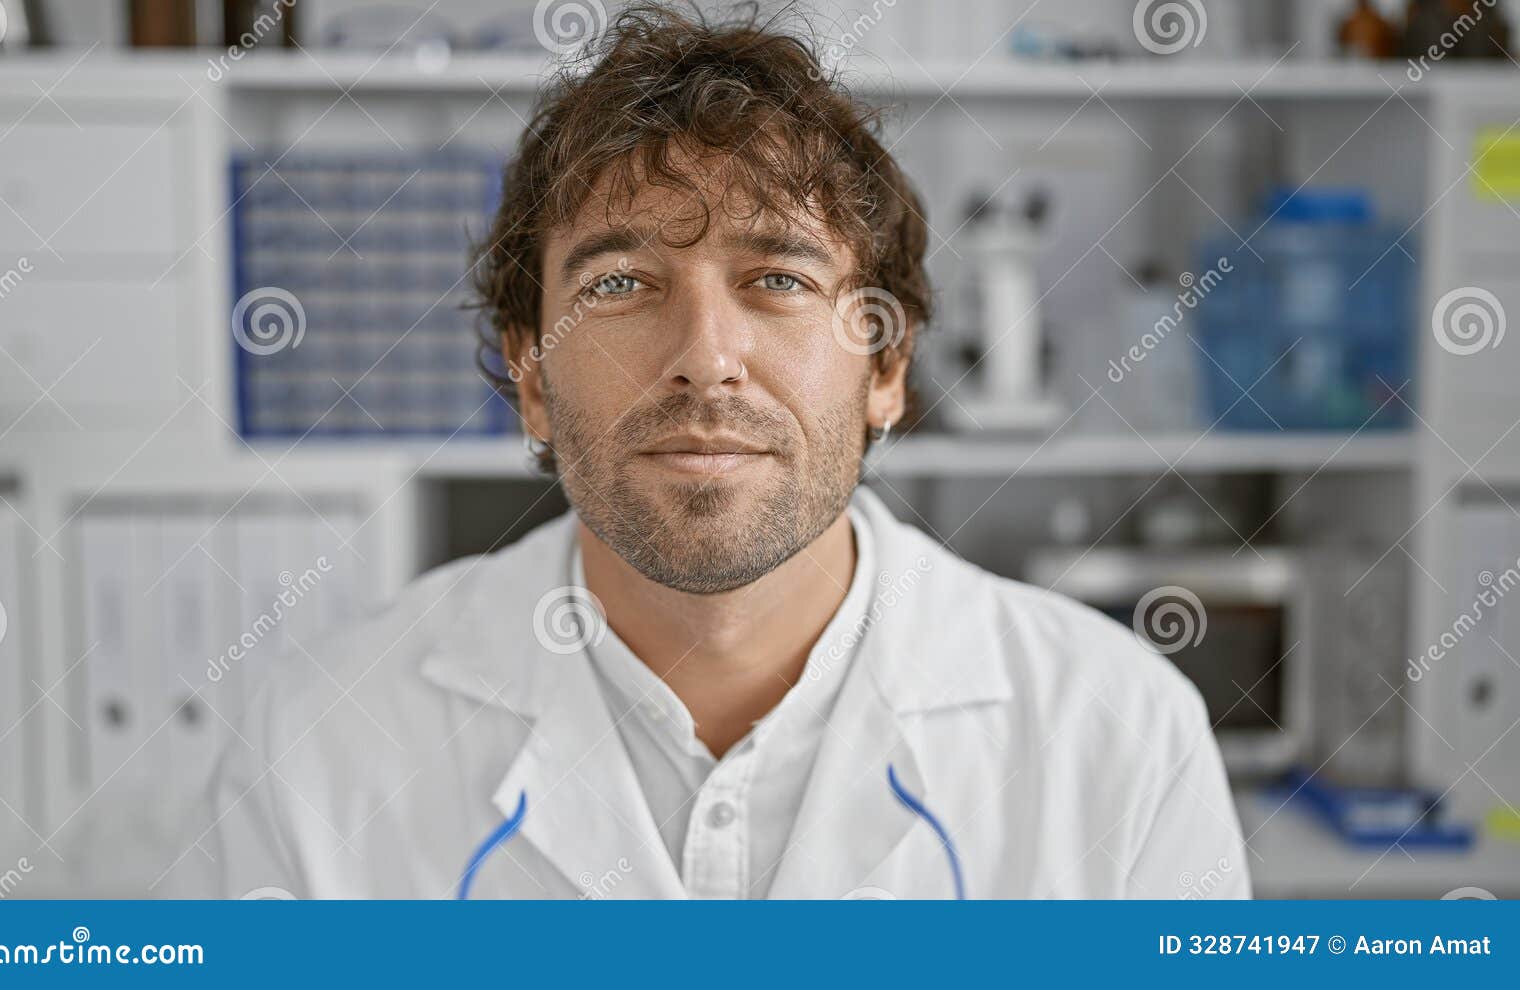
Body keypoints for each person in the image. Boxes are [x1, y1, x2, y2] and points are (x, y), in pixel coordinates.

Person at [205, 2, 1249, 900]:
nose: (706, 361)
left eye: (778, 280)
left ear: (887, 366)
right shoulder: (317, 749)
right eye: (620, 284)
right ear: (531, 376)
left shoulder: (1119, 736)